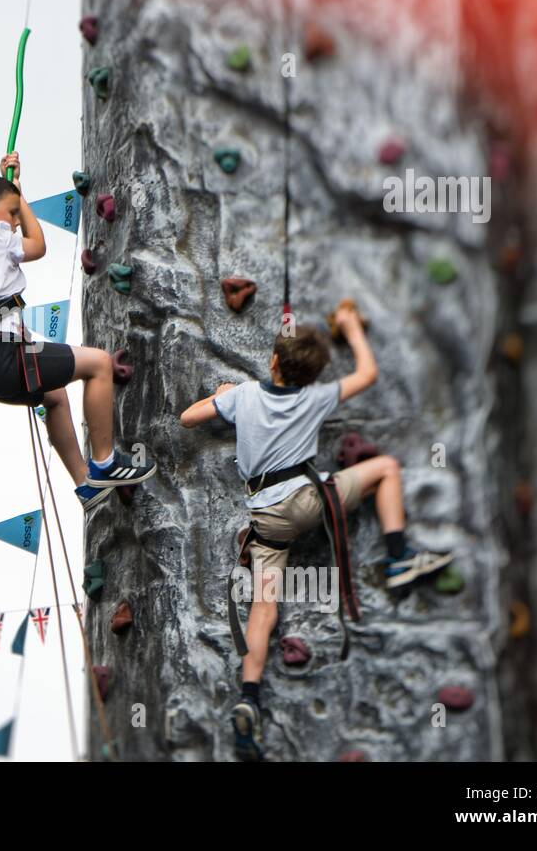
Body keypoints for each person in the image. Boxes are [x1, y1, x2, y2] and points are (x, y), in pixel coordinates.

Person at [179, 303, 452, 760]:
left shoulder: (243, 396)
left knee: (263, 608)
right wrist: (349, 328)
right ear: (311, 376)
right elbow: (367, 374)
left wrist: (223, 395)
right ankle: (398, 556)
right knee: (384, 468)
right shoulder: (315, 397)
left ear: (272, 362)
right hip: (312, 501)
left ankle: (250, 697)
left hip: (267, 521)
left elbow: (188, 418)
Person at [0, 152, 156, 510]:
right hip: (0, 356)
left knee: (55, 396)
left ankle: (85, 485)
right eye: (11, 215)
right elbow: (39, 245)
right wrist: (20, 196)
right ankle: (104, 463)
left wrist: (9, 194)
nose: (15, 223)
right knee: (100, 363)